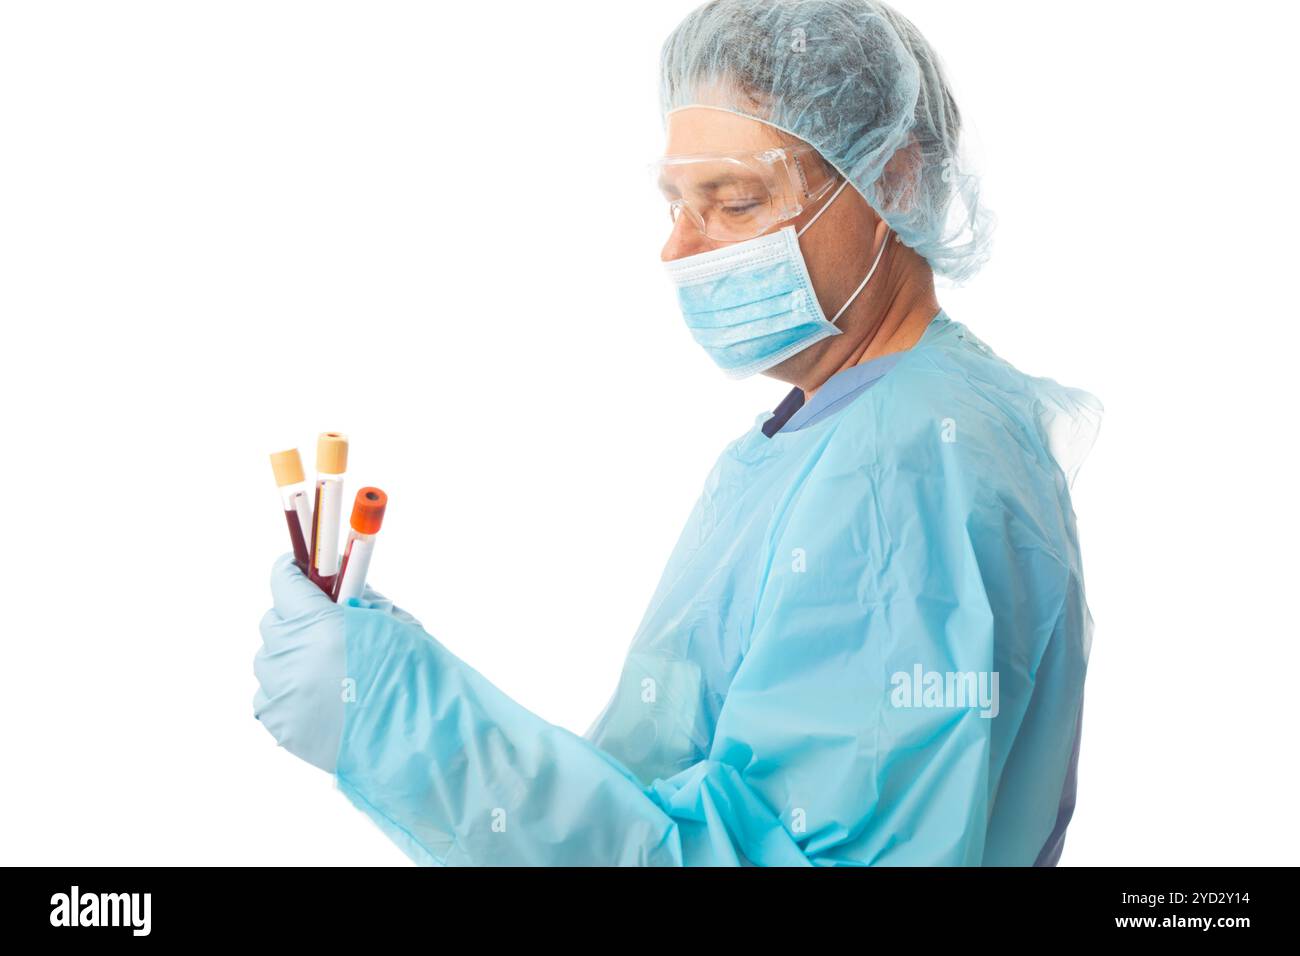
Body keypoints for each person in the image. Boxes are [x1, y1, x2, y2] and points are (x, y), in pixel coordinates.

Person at [254, 0, 1101, 866]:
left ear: (894, 183)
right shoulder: (836, 433)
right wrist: (388, 673)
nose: (680, 249)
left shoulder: (903, 470)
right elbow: (660, 799)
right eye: (676, 205)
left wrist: (400, 720)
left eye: (734, 201)